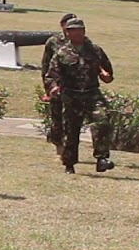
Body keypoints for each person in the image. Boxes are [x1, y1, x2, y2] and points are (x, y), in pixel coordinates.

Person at [45, 17, 115, 175]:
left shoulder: (95, 50)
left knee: (103, 120)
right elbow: (51, 75)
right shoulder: (62, 53)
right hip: (71, 95)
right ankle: (69, 164)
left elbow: (107, 72)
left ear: (84, 31)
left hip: (92, 94)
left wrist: (106, 76)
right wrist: (53, 87)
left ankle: (102, 158)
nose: (77, 33)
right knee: (71, 130)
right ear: (67, 33)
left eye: (80, 30)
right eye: (73, 30)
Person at [40, 13, 77, 155]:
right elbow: (46, 66)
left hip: (75, 88)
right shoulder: (53, 42)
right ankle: (59, 148)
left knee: (73, 120)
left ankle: (70, 150)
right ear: (62, 25)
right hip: (57, 87)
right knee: (57, 120)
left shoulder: (81, 41)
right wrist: (48, 88)